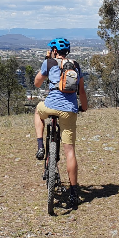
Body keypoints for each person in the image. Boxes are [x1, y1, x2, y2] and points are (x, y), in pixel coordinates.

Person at [33, 37, 89, 207]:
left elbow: (37, 83)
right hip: (69, 111)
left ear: (54, 50)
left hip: (50, 107)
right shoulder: (76, 66)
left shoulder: (49, 63)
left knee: (37, 112)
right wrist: (83, 108)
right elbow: (81, 91)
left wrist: (47, 61)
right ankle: (73, 192)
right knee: (70, 151)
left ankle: (41, 146)